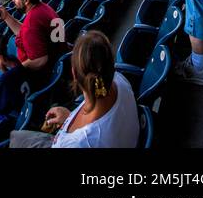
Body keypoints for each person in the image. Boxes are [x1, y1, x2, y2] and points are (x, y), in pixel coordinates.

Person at [8, 31, 138, 148]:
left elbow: (87, 137)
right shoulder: (119, 80)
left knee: (16, 138)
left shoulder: (76, 143)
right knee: (17, 137)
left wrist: (69, 128)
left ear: (74, 74)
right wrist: (70, 119)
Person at [0, 0, 59, 116]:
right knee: (11, 42)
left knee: (3, 75)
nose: (13, 0)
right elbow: (27, 31)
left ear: (26, 0)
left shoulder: (31, 24)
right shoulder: (44, 8)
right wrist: (6, 17)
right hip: (54, 55)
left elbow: (41, 60)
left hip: (44, 72)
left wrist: (13, 70)